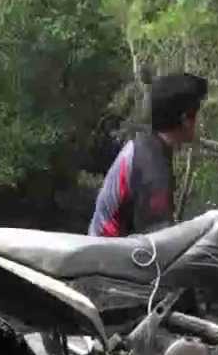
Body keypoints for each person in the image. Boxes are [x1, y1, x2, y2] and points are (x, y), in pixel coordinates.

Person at [88, 72, 209, 237]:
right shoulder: (152, 168)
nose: (202, 120)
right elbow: (158, 242)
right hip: (109, 256)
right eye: (199, 112)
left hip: (112, 249)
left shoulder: (150, 145)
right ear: (185, 119)